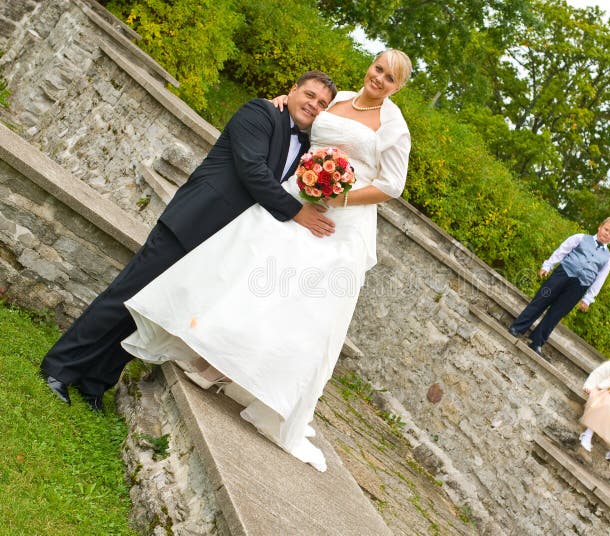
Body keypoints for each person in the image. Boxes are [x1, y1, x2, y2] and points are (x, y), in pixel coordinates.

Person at [120, 49, 413, 471]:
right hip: (298, 192)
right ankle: (210, 355)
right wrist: (280, 102)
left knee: (291, 294)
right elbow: (307, 112)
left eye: (390, 78)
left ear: (398, 87)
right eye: (378, 69)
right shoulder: (341, 97)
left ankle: (233, 372)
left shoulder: (394, 127)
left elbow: (392, 185)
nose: (379, 79)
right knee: (250, 263)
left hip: (342, 217)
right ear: (371, 67)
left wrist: (340, 196)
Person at [40, 71, 338, 411]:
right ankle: (59, 368)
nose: (313, 105)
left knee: (149, 313)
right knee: (122, 298)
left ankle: (95, 383)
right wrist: (297, 213)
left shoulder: (304, 146)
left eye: (322, 104)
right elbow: (252, 170)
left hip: (219, 243)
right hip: (193, 222)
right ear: (292, 90)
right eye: (309, 95)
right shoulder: (260, 113)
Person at [508, 217, 610, 353]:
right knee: (541, 300)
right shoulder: (580, 238)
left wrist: (588, 298)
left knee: (557, 313)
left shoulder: (607, 258)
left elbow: (600, 279)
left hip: (579, 286)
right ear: (600, 227)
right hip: (562, 275)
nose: (606, 234)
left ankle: (537, 341)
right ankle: (518, 327)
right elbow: (562, 251)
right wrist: (548, 265)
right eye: (606, 229)